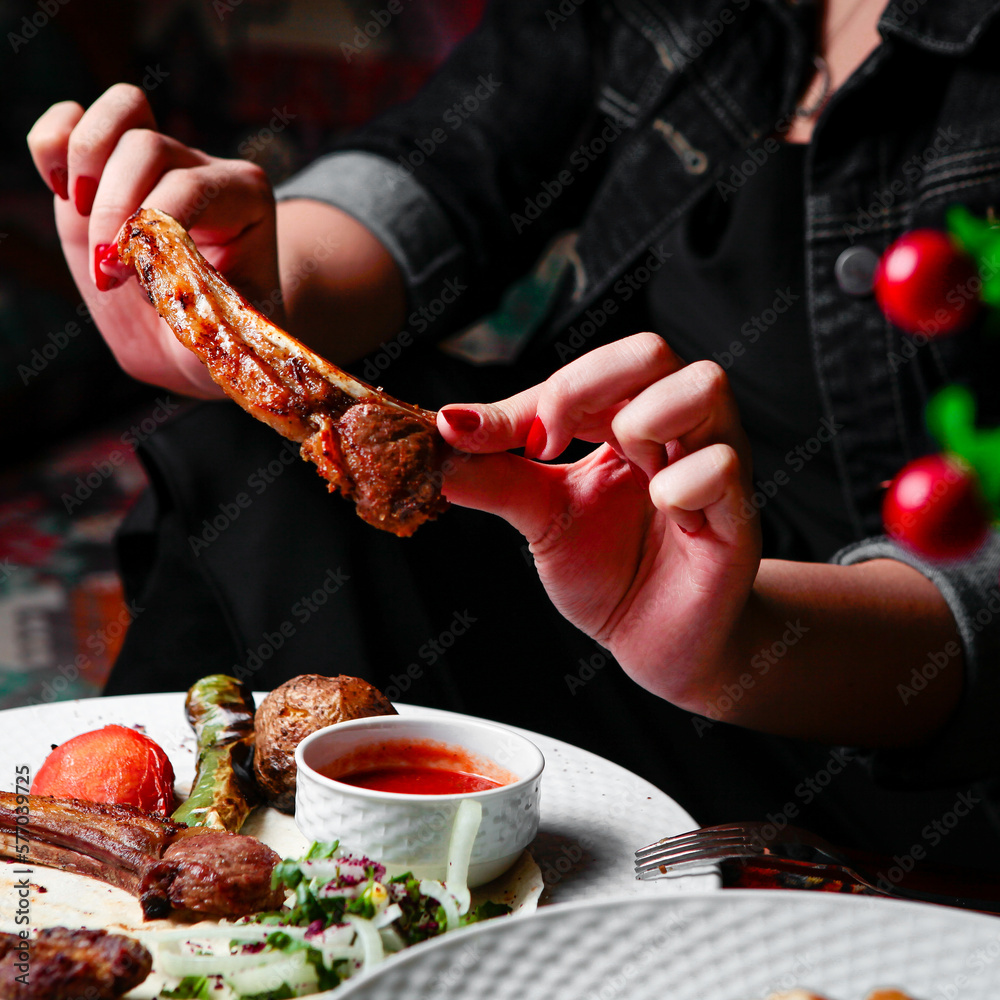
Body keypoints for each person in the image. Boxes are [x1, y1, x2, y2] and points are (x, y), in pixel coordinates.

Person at [26, 0, 1000, 865]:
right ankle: (106, 879)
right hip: (599, 568)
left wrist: (734, 636)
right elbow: (440, 169)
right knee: (276, 456)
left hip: (867, 699)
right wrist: (250, 290)